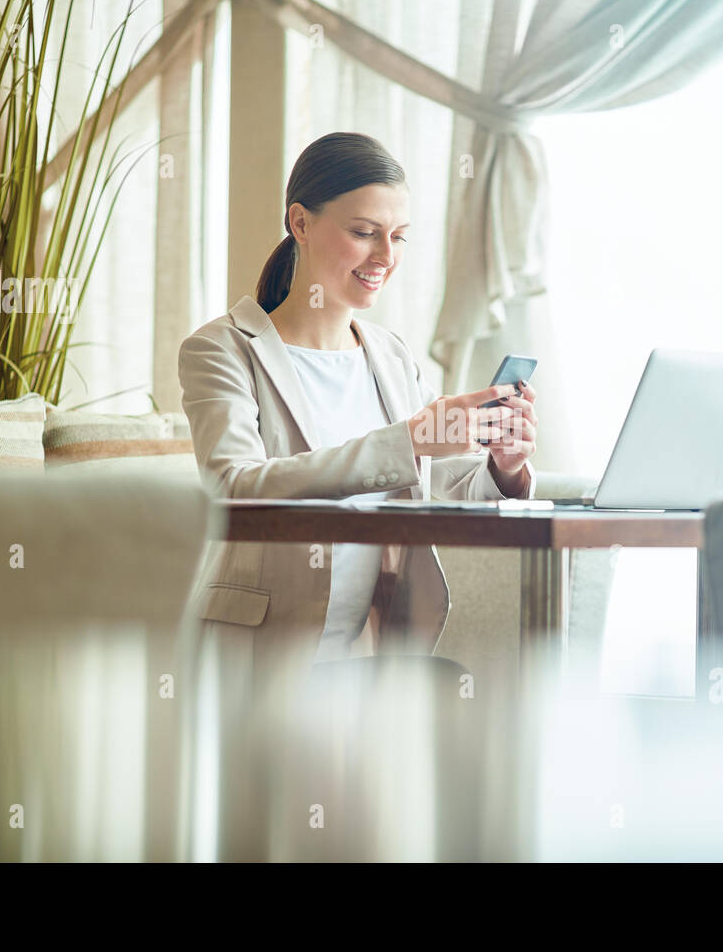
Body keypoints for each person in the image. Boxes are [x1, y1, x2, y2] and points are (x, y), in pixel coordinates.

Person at [178, 131, 538, 688]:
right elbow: (234, 488)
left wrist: (502, 467)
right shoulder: (223, 349)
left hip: (364, 654)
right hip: (254, 659)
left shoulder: (388, 354)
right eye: (364, 233)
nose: (386, 257)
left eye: (398, 237)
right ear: (299, 223)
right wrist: (411, 439)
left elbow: (426, 478)